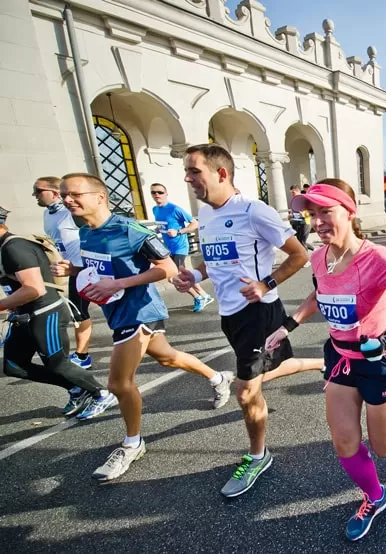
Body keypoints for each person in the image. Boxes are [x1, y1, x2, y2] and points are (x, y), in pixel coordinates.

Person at [263, 179, 386, 542]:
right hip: (341, 358)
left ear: (349, 210)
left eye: (325, 212)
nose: (316, 222)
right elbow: (319, 293)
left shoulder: (376, 258)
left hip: (379, 362)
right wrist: (288, 325)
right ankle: (375, 497)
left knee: (385, 445)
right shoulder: (319, 256)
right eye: (312, 215)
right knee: (344, 441)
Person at [52, 173, 234, 481]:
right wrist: (75, 269)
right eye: (64, 195)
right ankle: (219, 377)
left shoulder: (130, 230)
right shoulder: (85, 233)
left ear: (99, 196)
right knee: (166, 357)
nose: (67, 200)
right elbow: (102, 267)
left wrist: (120, 284)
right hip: (117, 311)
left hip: (140, 311)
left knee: (118, 383)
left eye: (74, 194)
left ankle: (132, 443)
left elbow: (168, 268)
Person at [173, 144, 324, 498]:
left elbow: (300, 255)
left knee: (245, 391)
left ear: (221, 173)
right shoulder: (207, 214)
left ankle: (258, 456)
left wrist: (265, 283)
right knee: (261, 373)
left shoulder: (255, 212)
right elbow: (214, 260)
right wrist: (194, 277)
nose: (188, 178)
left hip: (259, 313)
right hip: (229, 315)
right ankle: (322, 361)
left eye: (194, 171)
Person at [0, 207, 116, 420]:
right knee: (13, 365)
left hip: (46, 313)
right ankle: (76, 389)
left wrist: (2, 304)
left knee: (57, 363)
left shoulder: (14, 247)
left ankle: (102, 393)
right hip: (24, 316)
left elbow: (34, 289)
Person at [33, 176, 95, 369]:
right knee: (78, 312)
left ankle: (83, 355)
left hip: (88, 268)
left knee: (82, 312)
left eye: (38, 190)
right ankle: (83, 355)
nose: (34, 194)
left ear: (54, 192)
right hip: (71, 270)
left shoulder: (73, 213)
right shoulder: (47, 215)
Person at [150, 183, 213, 312]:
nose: (157, 195)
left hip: (180, 247)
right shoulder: (155, 210)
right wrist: (156, 229)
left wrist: (178, 232)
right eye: (154, 192)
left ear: (166, 194)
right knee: (183, 275)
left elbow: (195, 223)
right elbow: (163, 226)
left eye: (160, 192)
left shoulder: (174, 209)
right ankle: (205, 295)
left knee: (173, 277)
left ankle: (198, 297)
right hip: (168, 249)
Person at [289, 184, 315, 264]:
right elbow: (293, 211)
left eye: (293, 192)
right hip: (297, 222)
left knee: (302, 241)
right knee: (300, 241)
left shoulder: (304, 199)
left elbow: (311, 210)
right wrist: (291, 215)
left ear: (298, 191)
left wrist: (304, 214)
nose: (292, 194)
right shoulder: (293, 200)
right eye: (291, 193)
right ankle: (315, 250)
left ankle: (306, 260)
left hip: (306, 222)